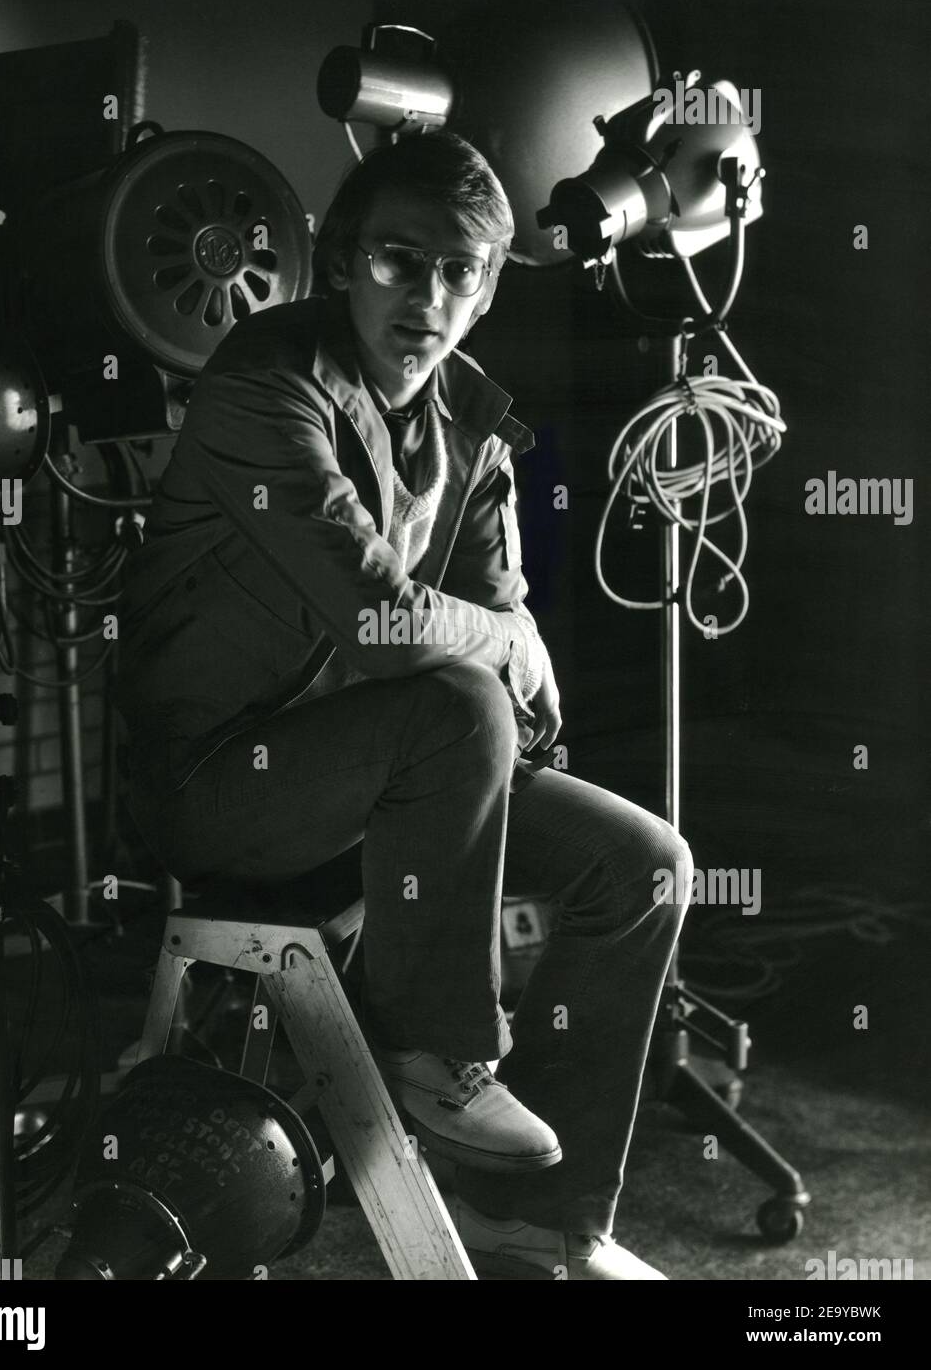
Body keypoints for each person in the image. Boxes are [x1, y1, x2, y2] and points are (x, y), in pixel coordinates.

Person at [116, 131, 692, 1280]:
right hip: (227, 787)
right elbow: (382, 619)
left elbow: (499, 633)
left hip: (410, 773)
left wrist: (511, 677)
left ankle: (540, 1223)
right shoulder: (260, 383)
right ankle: (437, 1053)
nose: (428, 297)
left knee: (645, 866)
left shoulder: (470, 420)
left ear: (487, 288)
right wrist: (503, 647)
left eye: (461, 271)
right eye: (398, 259)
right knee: (460, 702)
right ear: (340, 261)